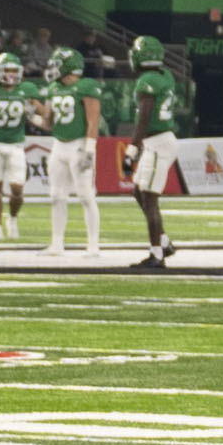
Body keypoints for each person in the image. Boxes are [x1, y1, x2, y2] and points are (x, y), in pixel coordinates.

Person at [117, 34, 188, 269]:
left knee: (149, 198)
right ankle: (164, 242)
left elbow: (144, 118)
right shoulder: (164, 75)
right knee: (139, 191)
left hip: (157, 142)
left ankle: (157, 254)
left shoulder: (146, 81)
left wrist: (131, 151)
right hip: (160, 141)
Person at [38, 44, 104, 255]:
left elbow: (93, 121)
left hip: (78, 146)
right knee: (57, 196)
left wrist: (89, 149)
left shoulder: (86, 86)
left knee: (86, 196)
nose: (53, 68)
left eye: (57, 64)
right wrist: (31, 113)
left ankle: (93, 245)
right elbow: (48, 124)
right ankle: (57, 244)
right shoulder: (54, 88)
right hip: (59, 145)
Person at [0, 51, 36, 247]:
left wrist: (34, 114)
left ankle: (12, 218)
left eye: (14, 70)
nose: (11, 74)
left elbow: (41, 112)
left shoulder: (26, 89)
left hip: (16, 145)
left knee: (17, 189)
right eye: (7, 70)